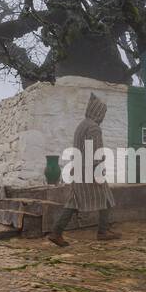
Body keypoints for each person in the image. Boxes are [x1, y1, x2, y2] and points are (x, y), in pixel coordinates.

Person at [48, 93, 121, 246]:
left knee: (74, 201)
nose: (102, 117)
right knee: (106, 199)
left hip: (79, 169)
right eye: (102, 113)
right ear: (98, 112)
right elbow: (96, 151)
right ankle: (102, 232)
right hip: (90, 171)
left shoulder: (82, 125)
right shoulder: (94, 128)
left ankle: (56, 232)